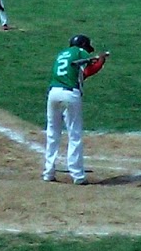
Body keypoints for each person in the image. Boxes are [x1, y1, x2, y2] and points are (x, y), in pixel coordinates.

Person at [43, 33, 108, 185]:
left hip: (53, 94)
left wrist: (99, 61)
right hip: (70, 95)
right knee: (74, 135)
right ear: (83, 45)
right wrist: (101, 61)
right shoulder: (79, 52)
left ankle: (48, 172)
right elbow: (89, 69)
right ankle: (78, 175)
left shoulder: (61, 54)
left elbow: (83, 73)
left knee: (52, 134)